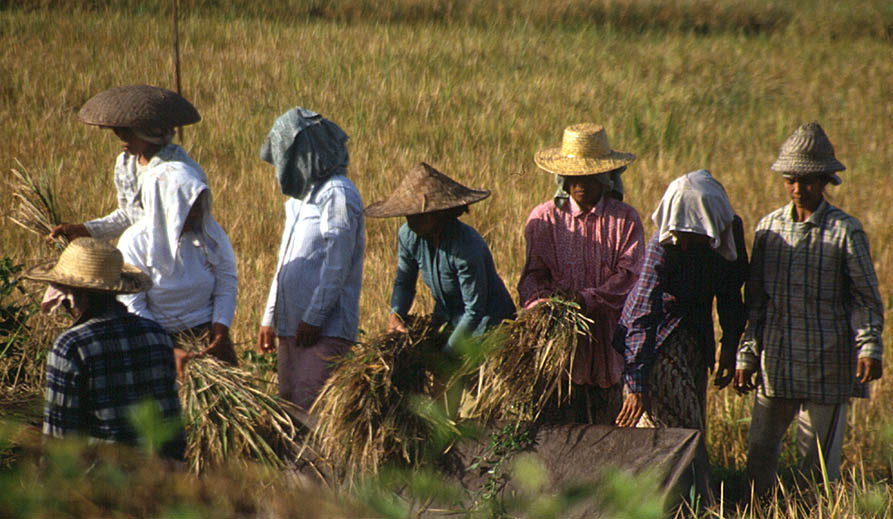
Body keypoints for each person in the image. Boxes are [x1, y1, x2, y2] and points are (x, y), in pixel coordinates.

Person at [735, 122, 884, 494]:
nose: (798, 189)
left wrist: (869, 346)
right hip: (777, 362)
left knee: (816, 465)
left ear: (824, 180)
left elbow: (865, 297)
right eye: (791, 180)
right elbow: (756, 302)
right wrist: (747, 355)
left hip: (827, 362)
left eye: (807, 181)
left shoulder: (845, 231)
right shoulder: (769, 229)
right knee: (759, 451)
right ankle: (759, 509)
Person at [518, 123, 645, 424]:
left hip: (609, 342)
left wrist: (586, 300)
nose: (580, 185)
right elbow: (533, 276)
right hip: (560, 346)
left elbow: (629, 277)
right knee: (559, 426)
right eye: (574, 177)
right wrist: (545, 306)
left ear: (606, 177)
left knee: (608, 428)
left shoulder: (624, 219)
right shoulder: (545, 219)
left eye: (589, 177)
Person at [25, 238, 184, 460]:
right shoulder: (156, 334)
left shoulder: (71, 346)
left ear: (73, 295)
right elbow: (172, 423)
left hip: (101, 477)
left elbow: (59, 439)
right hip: (153, 474)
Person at [614, 169, 747, 430]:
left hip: (695, 333)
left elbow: (731, 292)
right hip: (657, 339)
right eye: (680, 237)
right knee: (682, 430)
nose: (683, 245)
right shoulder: (663, 243)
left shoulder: (727, 232)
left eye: (691, 238)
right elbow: (642, 311)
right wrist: (636, 384)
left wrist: (729, 348)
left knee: (688, 425)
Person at [255, 108, 365, 411]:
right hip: (292, 326)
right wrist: (270, 318)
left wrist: (315, 317)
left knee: (312, 410)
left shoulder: (337, 194)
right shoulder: (299, 200)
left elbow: (338, 263)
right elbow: (285, 261)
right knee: (289, 408)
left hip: (325, 329)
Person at [365, 162, 516, 353]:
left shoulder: (466, 246)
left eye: (418, 215)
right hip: (449, 319)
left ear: (438, 214)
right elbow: (404, 283)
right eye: (408, 215)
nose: (411, 221)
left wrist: (448, 353)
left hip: (487, 325)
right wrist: (396, 315)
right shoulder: (408, 236)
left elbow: (474, 310)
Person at [116, 160, 238, 368]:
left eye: (199, 205)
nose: (197, 213)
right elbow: (133, 305)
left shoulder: (210, 233)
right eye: (189, 207)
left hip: (208, 335)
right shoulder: (135, 242)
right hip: (155, 338)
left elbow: (226, 283)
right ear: (167, 205)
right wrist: (167, 350)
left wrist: (219, 336)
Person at [50, 84, 202, 243]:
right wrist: (84, 229)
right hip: (141, 248)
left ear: (149, 132)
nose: (122, 139)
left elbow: (185, 223)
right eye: (118, 132)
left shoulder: (178, 169)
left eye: (128, 133)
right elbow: (128, 216)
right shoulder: (125, 163)